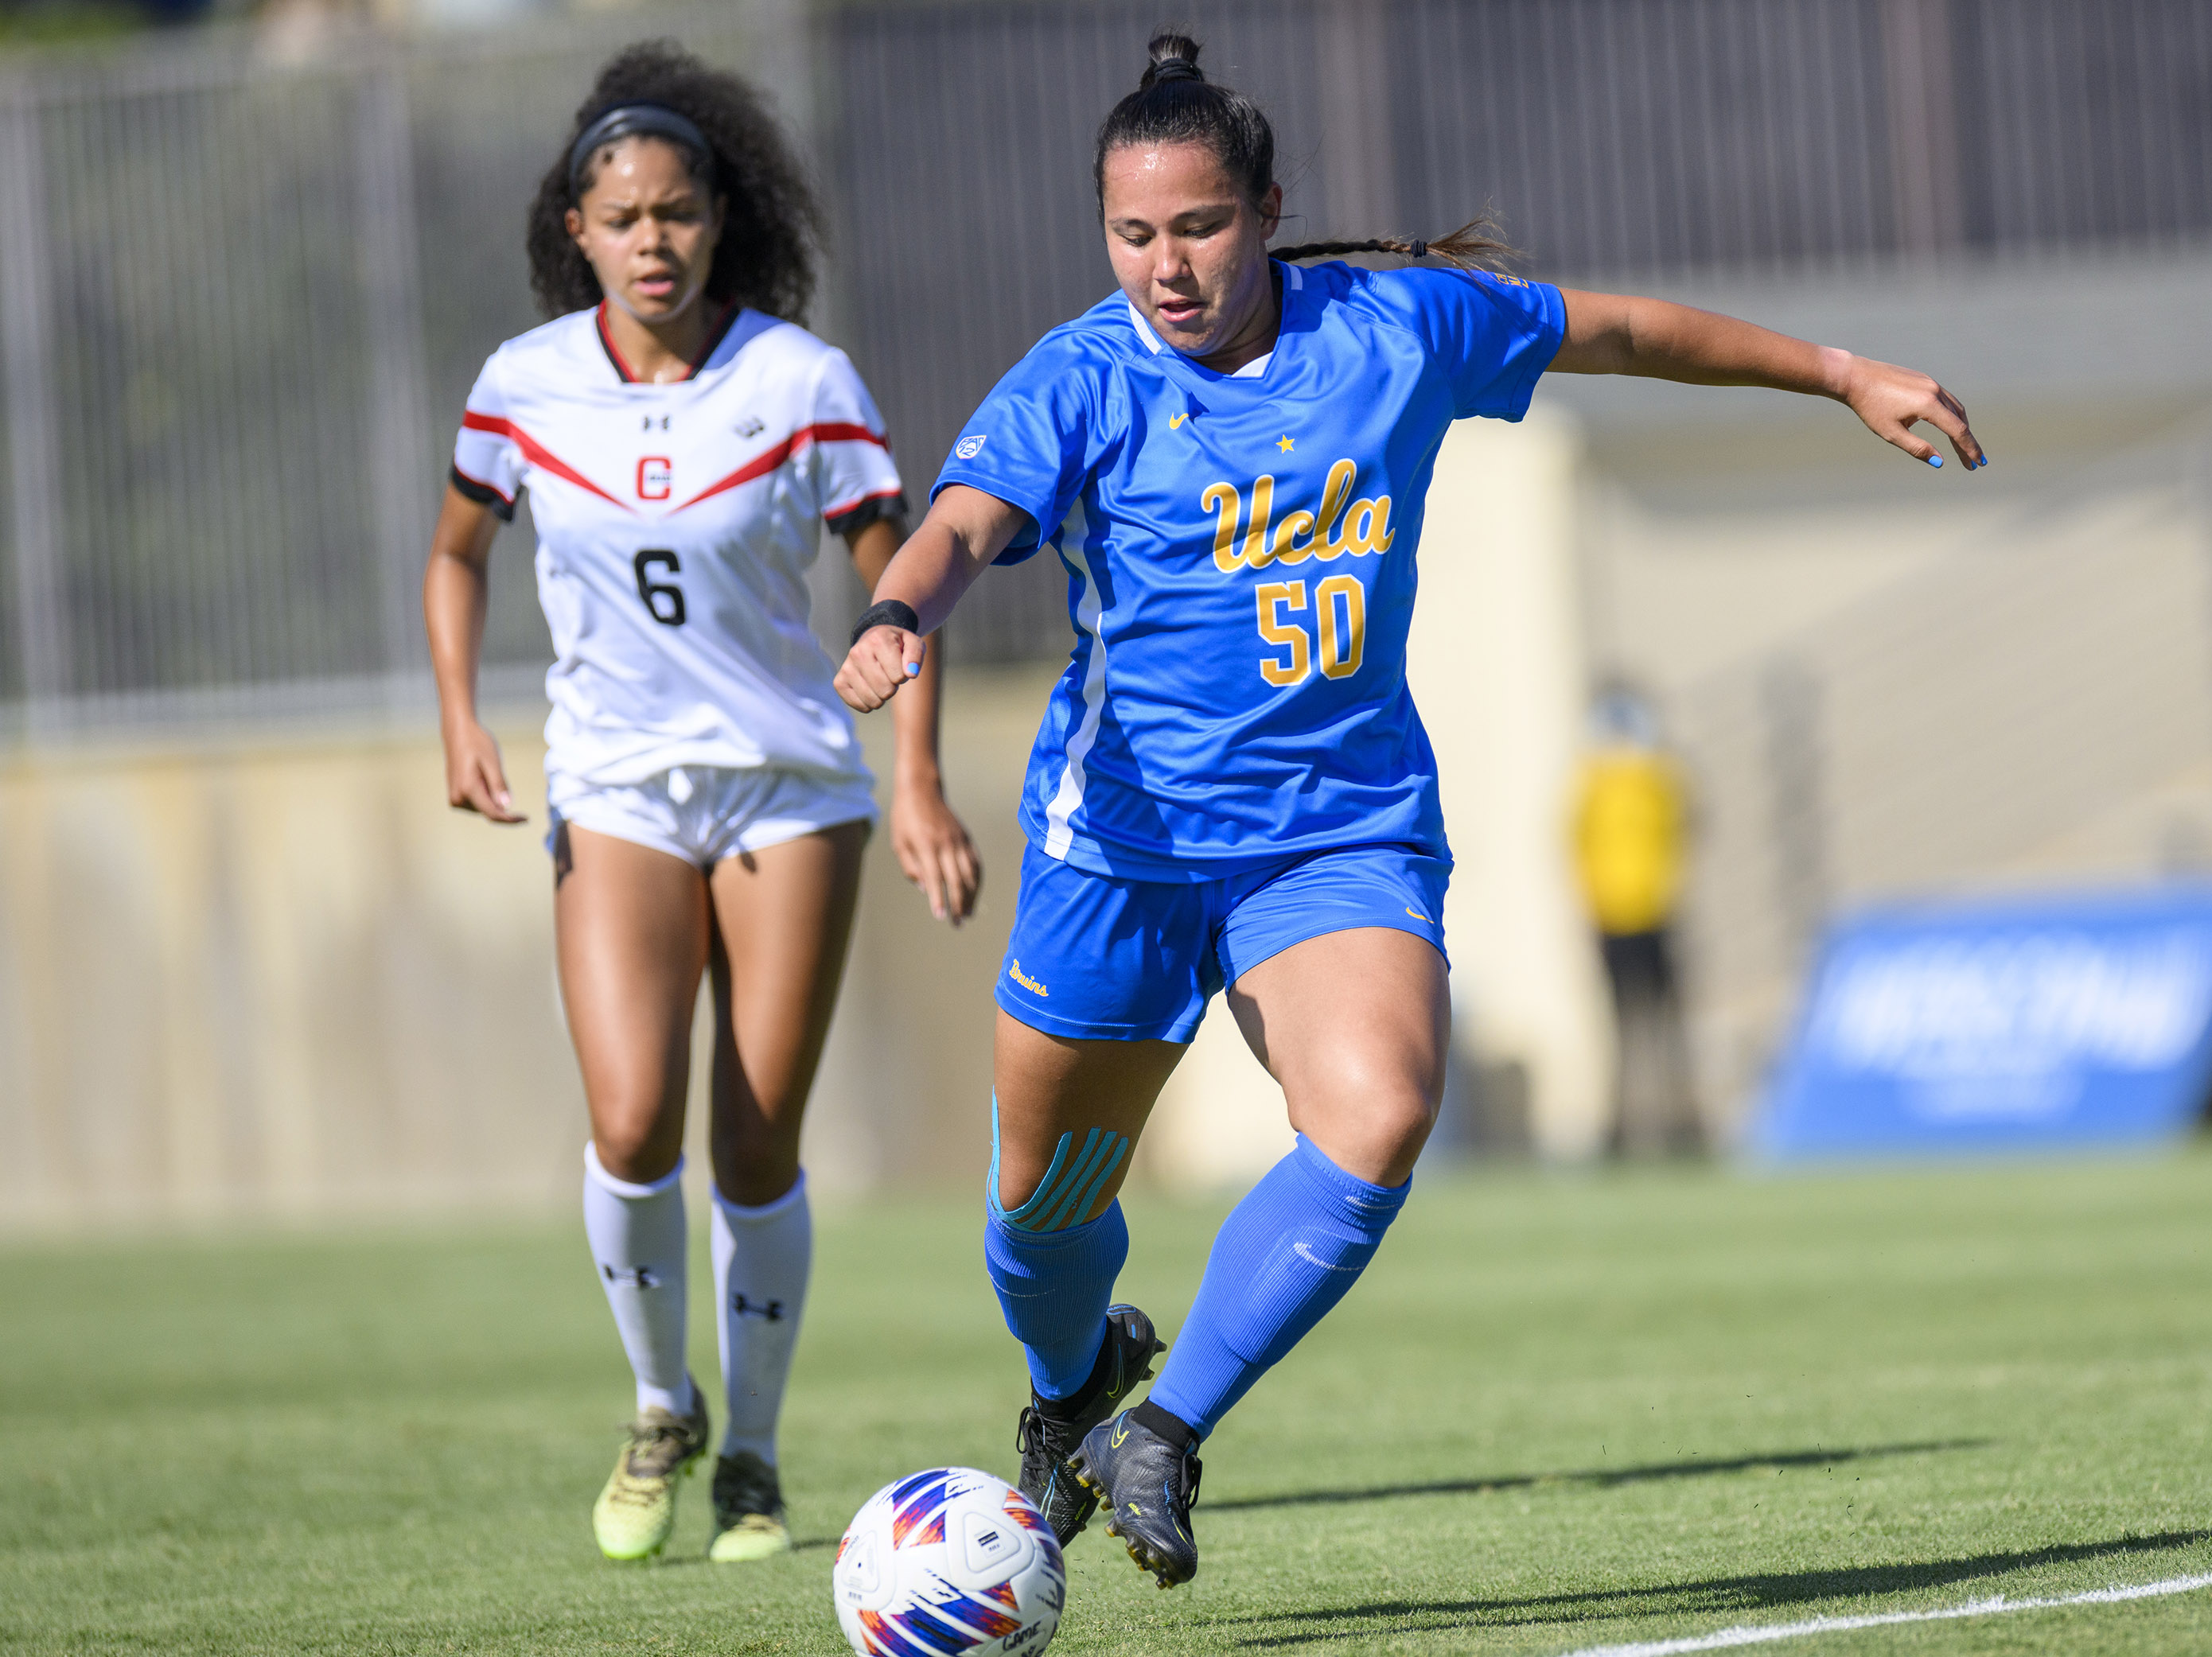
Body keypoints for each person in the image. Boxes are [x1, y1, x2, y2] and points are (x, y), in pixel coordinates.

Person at [834, 33, 1983, 1590]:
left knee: (1374, 1118)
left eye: (1199, 228)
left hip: (1336, 831)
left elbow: (1625, 328)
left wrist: (1840, 372)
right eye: (1133, 235)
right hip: (1121, 855)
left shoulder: (1397, 328)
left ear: (1267, 210)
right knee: (1042, 1221)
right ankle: (1073, 1378)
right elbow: (962, 522)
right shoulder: (1081, 376)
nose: (1166, 267)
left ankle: (1165, 1427)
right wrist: (904, 610)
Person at [423, 42, 982, 1565]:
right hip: (612, 785)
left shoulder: (802, 383)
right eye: (623, 218)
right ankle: (660, 1402)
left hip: (794, 786)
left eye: (678, 211)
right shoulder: (523, 385)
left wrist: (917, 778)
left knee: (755, 1144)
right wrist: (463, 713)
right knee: (627, 1115)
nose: (653, 239)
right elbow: (457, 549)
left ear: (721, 217)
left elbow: (898, 591)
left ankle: (754, 1456)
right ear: (576, 233)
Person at [1572, 686, 1704, 1156]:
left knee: (1666, 1028)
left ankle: (1684, 1126)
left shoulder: (1658, 778)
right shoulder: (1598, 782)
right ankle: (1622, 1132)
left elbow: (1686, 827)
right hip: (1615, 920)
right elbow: (1578, 849)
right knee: (1626, 1030)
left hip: (1657, 915)